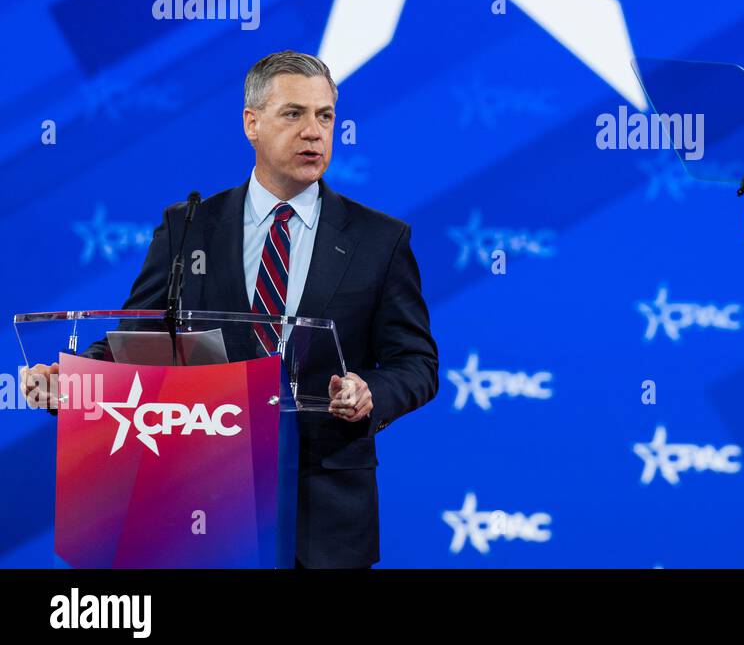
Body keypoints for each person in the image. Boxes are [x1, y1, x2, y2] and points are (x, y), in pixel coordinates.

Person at [21, 50, 439, 568]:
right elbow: (138, 341)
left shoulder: (381, 240)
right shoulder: (190, 226)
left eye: (325, 116)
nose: (314, 131)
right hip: (204, 504)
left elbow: (417, 363)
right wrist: (77, 383)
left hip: (326, 520)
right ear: (252, 123)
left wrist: (370, 391)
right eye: (294, 114)